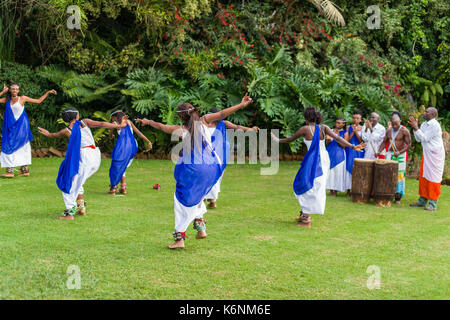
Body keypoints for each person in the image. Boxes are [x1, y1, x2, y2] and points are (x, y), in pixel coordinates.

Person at [136, 93, 253, 249]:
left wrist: (147, 121)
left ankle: (179, 240)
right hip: (213, 168)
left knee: (181, 200)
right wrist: (241, 105)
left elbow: (161, 126)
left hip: (195, 168)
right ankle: (200, 228)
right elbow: (223, 113)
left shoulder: (180, 129)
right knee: (198, 196)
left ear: (181, 117)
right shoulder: (205, 120)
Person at [272, 107, 365, 227]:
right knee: (315, 184)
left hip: (313, 160)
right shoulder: (323, 128)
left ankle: (306, 218)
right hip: (323, 159)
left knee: (308, 184)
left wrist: (277, 140)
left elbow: (290, 139)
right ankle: (304, 214)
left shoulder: (305, 129)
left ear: (306, 117)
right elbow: (338, 138)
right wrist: (352, 146)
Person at [38, 107, 126, 220]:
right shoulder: (85, 122)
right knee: (78, 181)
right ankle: (81, 207)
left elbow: (54, 135)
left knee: (68, 182)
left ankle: (70, 213)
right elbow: (102, 124)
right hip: (94, 154)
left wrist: (48, 133)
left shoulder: (67, 130)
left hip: (84, 156)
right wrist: (118, 126)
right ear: (76, 116)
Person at [203, 107, 258, 208]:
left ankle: (206, 198)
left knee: (207, 175)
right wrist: (251, 129)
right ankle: (212, 200)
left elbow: (237, 127)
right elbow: (237, 127)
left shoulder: (206, 124)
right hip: (218, 155)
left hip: (211, 154)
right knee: (216, 175)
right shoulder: (220, 123)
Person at [0, 83, 56, 177]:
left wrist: (47, 93)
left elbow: (38, 101)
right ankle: (16, 170)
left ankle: (18, 171)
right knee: (9, 145)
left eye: (17, 89)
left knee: (22, 147)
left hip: (21, 127)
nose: (15, 91)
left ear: (19, 90)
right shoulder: (7, 100)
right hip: (11, 128)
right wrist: (3, 92)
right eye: (13, 89)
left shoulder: (22, 98)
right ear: (9, 90)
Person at [408, 107, 446, 211]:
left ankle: (433, 203)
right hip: (427, 153)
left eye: (426, 112)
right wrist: (415, 128)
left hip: (435, 155)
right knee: (424, 176)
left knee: (433, 178)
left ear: (433, 114)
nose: (424, 113)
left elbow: (425, 138)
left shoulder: (434, 125)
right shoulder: (424, 124)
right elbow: (419, 139)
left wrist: (416, 128)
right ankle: (422, 200)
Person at [108, 110, 152, 195]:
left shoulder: (115, 123)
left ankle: (114, 188)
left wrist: (111, 134)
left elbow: (110, 136)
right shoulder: (129, 121)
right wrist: (148, 141)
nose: (111, 119)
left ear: (114, 117)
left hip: (123, 147)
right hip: (133, 146)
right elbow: (138, 133)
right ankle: (123, 187)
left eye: (112, 118)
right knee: (123, 165)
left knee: (118, 165)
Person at [376, 113, 411, 204]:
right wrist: (379, 151)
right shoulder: (389, 130)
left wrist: (400, 152)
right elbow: (384, 142)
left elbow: (409, 145)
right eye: (393, 124)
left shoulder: (404, 131)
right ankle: (389, 194)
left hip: (400, 155)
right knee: (388, 174)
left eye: (396, 124)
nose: (395, 126)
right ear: (390, 122)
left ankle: (398, 197)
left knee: (399, 176)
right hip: (390, 154)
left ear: (400, 122)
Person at [344, 110, 365, 196]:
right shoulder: (349, 127)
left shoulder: (363, 128)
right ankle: (348, 189)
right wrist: (352, 131)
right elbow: (348, 140)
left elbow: (361, 140)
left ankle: (356, 189)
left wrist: (356, 132)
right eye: (354, 118)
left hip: (359, 149)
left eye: (357, 118)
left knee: (358, 168)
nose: (355, 120)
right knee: (349, 167)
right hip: (351, 149)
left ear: (360, 119)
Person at [326, 116, 347, 196]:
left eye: (339, 123)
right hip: (330, 152)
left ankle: (335, 190)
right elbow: (327, 143)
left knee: (338, 172)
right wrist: (328, 139)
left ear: (343, 124)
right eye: (336, 122)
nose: (336, 124)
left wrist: (336, 137)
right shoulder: (330, 131)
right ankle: (331, 189)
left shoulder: (345, 133)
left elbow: (343, 146)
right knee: (330, 172)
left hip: (339, 154)